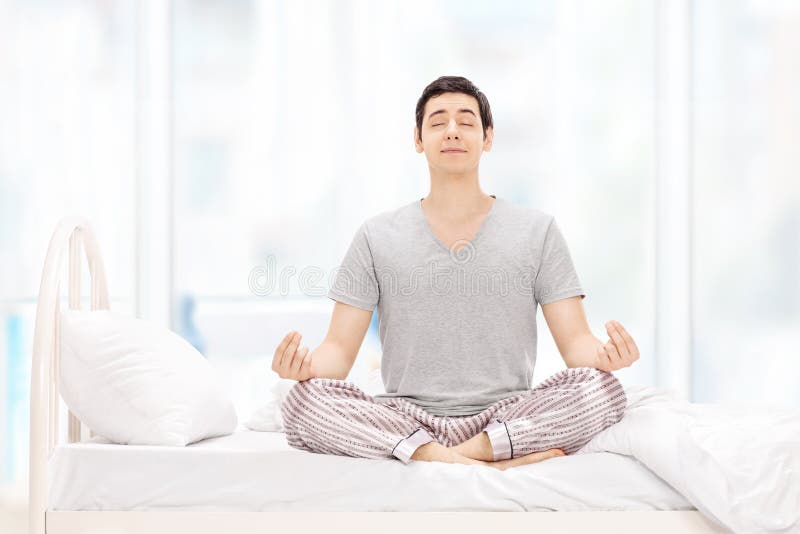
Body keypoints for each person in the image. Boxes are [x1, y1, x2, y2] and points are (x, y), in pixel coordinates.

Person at [274, 76, 639, 470]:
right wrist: (307, 369)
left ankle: (466, 454)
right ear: (418, 139)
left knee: (604, 390)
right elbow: (339, 352)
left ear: (487, 138)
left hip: (506, 415)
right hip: (408, 417)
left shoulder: (538, 231)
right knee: (300, 400)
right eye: (437, 122)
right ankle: (468, 460)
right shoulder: (376, 235)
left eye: (466, 122)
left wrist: (605, 357)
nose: (452, 131)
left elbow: (576, 346)